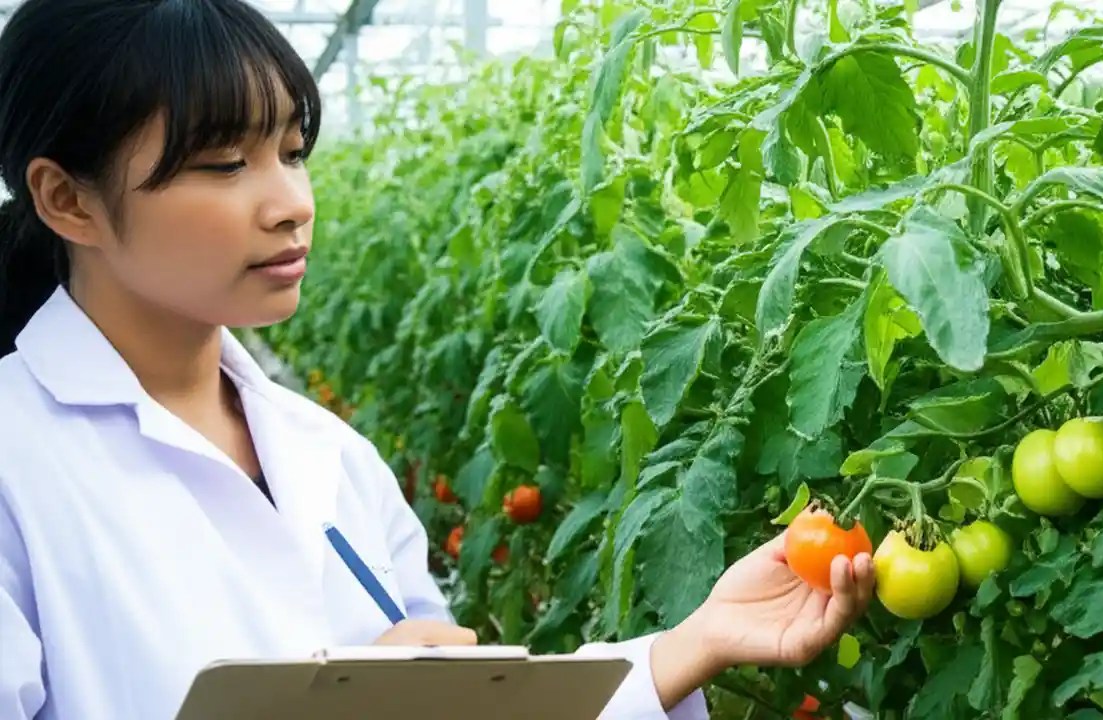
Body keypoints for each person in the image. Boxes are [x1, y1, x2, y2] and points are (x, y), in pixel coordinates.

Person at [0, 1, 877, 718]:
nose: (290, 204)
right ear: (66, 199)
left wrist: (697, 642)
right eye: (226, 163)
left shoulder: (330, 456)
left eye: (294, 154)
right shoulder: (18, 461)